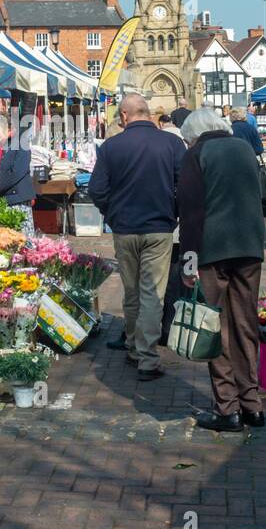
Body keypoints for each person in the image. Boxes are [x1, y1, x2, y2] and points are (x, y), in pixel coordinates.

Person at [178, 109, 266, 432]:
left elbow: (190, 213)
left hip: (213, 249)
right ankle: (252, 404)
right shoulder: (243, 146)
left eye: (187, 139)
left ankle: (227, 408)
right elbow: (261, 195)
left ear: (194, 135)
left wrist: (187, 261)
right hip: (249, 247)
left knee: (214, 327)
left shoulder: (196, 155)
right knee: (245, 324)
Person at [89, 93, 185, 381]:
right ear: (149, 114)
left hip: (124, 229)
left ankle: (134, 347)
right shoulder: (171, 143)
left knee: (131, 291)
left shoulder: (111, 146)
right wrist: (174, 211)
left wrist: (112, 213)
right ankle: (146, 356)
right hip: (159, 227)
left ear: (124, 116)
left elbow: (97, 190)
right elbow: (186, 184)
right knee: (151, 293)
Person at [0, 113, 36, 238]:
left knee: (23, 239)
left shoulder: (21, 144)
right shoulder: (0, 147)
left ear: (6, 128)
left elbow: (16, 173)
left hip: (18, 200)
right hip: (4, 200)